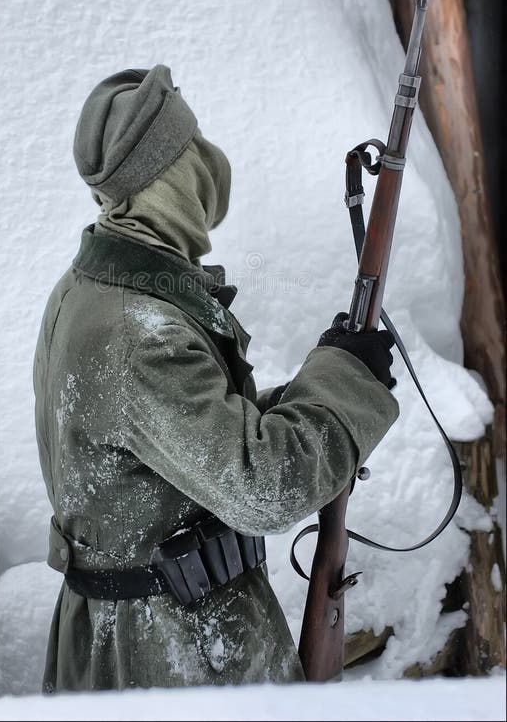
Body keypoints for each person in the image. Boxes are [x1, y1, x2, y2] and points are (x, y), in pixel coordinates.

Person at [34, 64, 399, 692]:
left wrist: (326, 378)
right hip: (168, 653)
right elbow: (261, 487)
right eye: (190, 147)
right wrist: (344, 385)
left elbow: (176, 440)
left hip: (150, 631)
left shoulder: (98, 289)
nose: (210, 161)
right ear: (168, 176)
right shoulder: (137, 330)